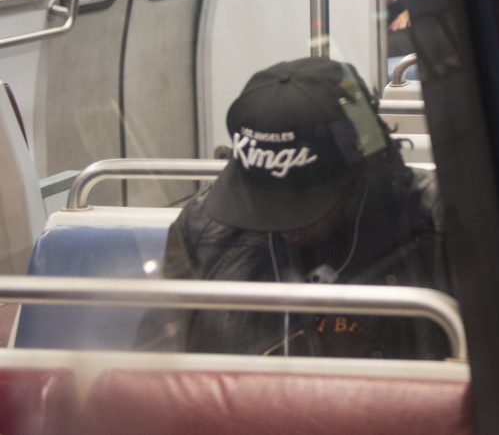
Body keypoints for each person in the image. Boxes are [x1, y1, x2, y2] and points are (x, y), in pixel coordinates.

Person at [136, 57, 449, 358]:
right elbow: (154, 364)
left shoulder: (434, 229)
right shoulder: (203, 231)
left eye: (301, 206)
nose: (283, 227)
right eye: (263, 204)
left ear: (363, 168)